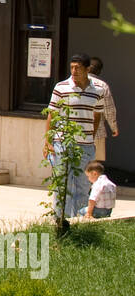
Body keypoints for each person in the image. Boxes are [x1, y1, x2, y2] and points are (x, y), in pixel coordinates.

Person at [43, 53, 104, 219]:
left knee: (83, 184)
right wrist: (48, 141)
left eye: (78, 68)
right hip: (62, 143)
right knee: (62, 184)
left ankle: (77, 220)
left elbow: (97, 115)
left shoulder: (98, 91)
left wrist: (90, 136)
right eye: (72, 67)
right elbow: (52, 115)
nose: (74, 71)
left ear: (87, 69)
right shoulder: (61, 87)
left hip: (86, 145)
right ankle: (60, 220)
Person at [88, 57, 118, 164]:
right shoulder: (102, 85)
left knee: (77, 165)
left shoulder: (72, 83)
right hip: (97, 131)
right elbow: (109, 110)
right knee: (94, 165)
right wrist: (114, 127)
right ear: (99, 71)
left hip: (74, 131)